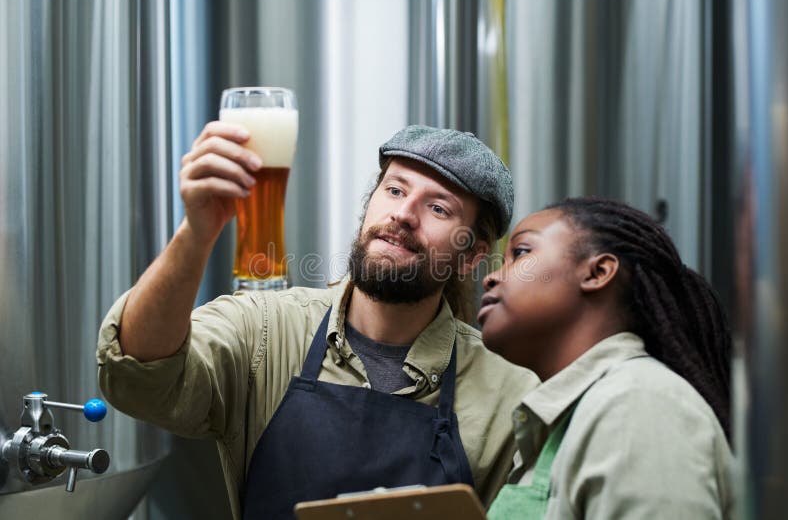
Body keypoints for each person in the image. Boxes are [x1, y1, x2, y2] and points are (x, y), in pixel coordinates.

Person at [96, 123, 538, 519]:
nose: (403, 214)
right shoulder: (266, 328)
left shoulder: (510, 393)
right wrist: (197, 230)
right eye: (396, 190)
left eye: (438, 208)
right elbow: (138, 379)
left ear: (472, 257)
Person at [479, 198, 733, 519]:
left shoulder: (637, 403)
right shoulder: (575, 420)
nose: (491, 277)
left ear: (598, 272)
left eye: (522, 253)